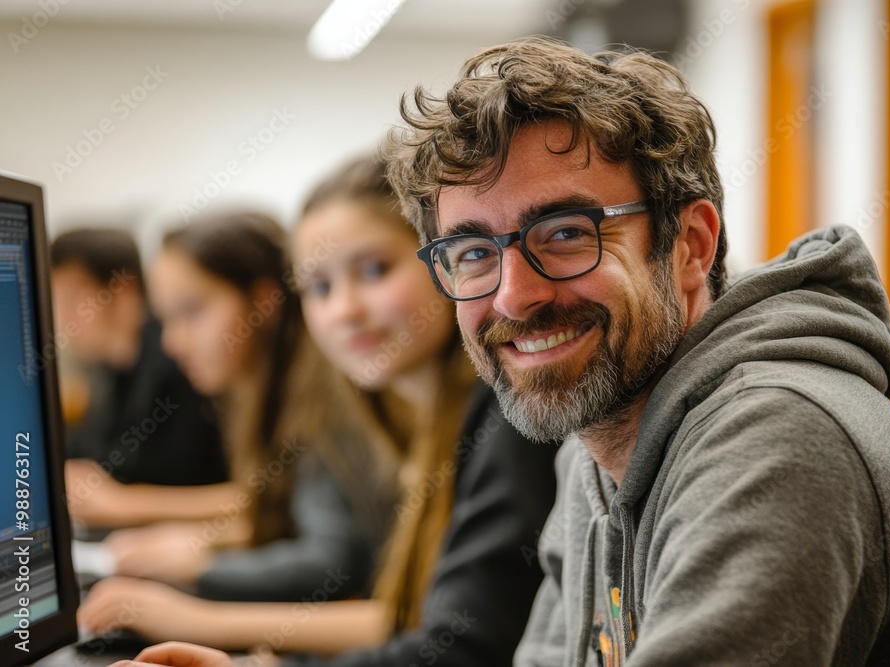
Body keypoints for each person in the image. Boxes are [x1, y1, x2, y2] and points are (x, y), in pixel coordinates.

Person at [376, 37, 890, 665]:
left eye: (566, 233)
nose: (514, 297)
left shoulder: (778, 442)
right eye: (475, 254)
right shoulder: (589, 449)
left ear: (692, 246)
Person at [80, 157, 558, 666]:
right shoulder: (402, 409)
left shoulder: (505, 413)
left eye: (375, 270)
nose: (343, 310)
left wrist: (201, 603)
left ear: (445, 260)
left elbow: (457, 645)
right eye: (320, 287)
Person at [85, 212, 390, 602]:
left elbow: (333, 560)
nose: (172, 343)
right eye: (166, 320)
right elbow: (278, 517)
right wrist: (201, 542)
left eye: (191, 311)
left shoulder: (324, 401)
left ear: (264, 301)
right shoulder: (254, 395)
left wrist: (203, 567)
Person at [50, 228, 228, 502]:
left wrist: (121, 501)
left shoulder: (181, 363)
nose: (63, 320)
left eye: (77, 300)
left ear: (122, 291)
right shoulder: (110, 372)